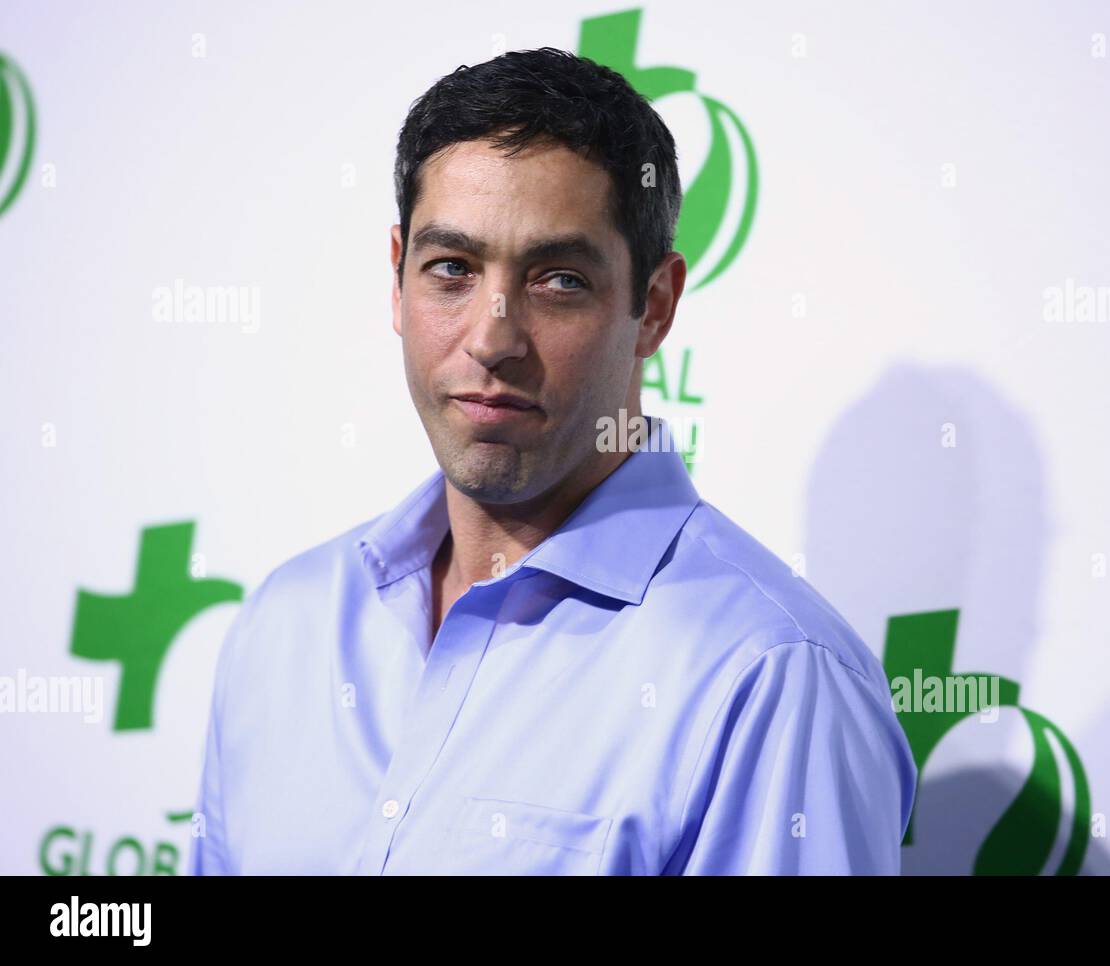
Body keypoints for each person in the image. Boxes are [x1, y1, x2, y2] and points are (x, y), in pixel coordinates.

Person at [191, 46, 916, 875]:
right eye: (452, 269)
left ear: (654, 307)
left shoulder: (772, 681)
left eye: (559, 280)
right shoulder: (287, 625)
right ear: (397, 282)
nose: (493, 338)